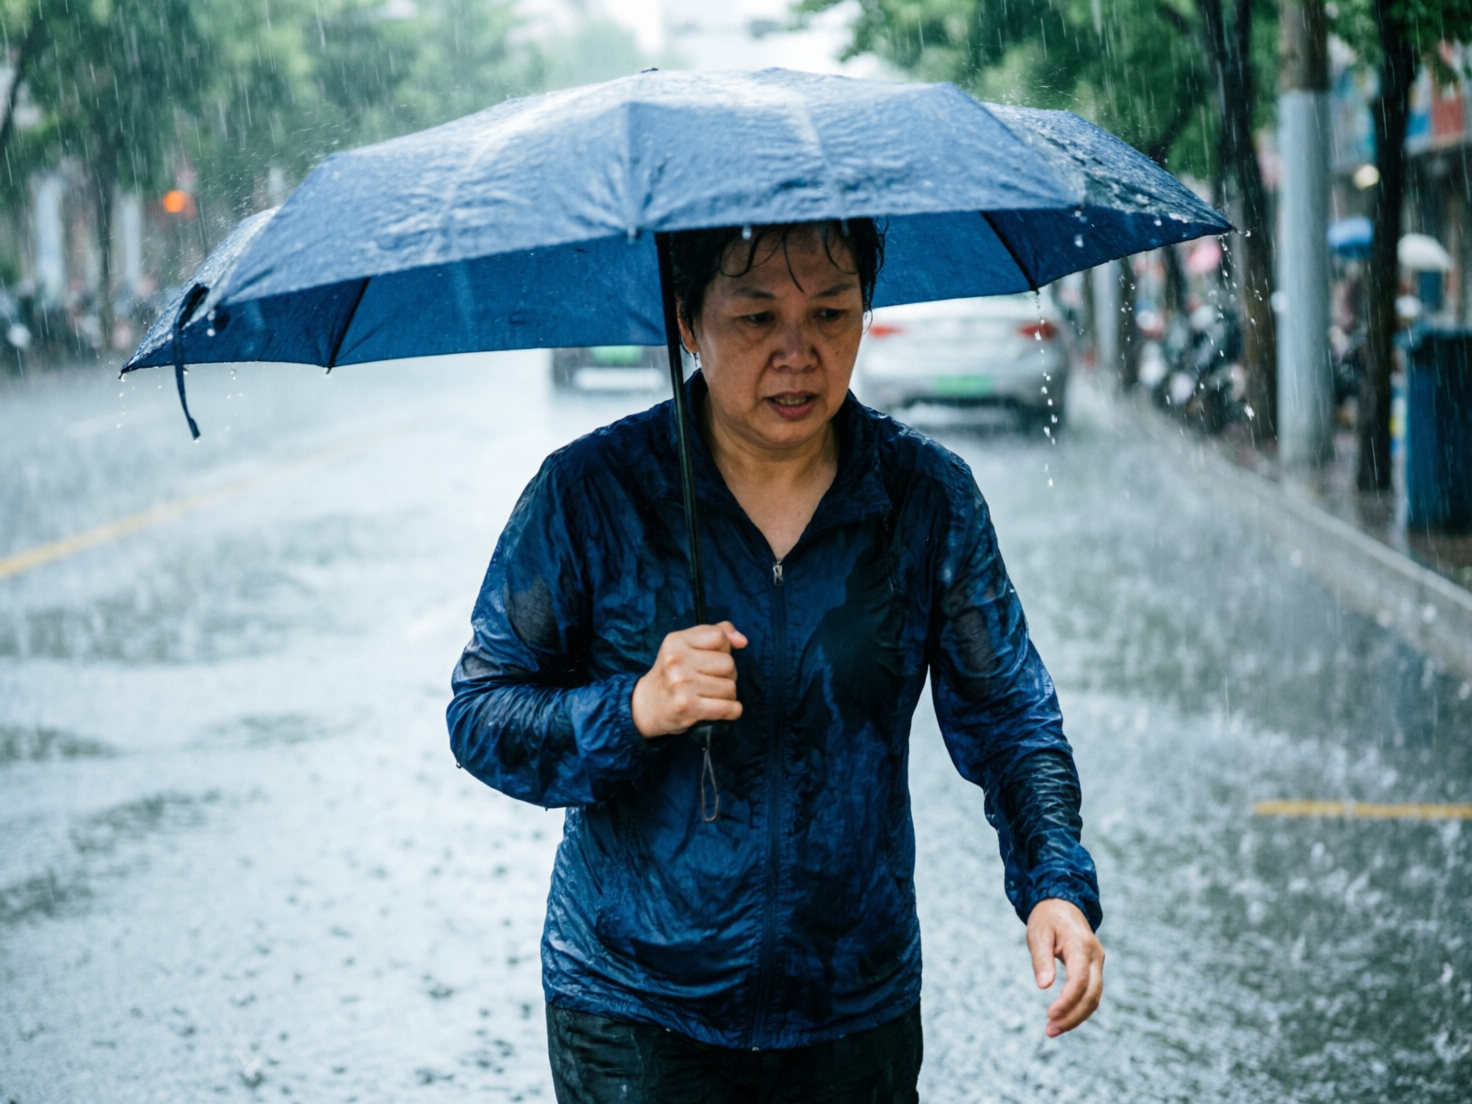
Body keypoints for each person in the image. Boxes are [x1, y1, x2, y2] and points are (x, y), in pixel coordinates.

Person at [448, 219, 1104, 1103]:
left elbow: (1010, 716)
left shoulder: (923, 499)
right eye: (756, 320)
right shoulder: (590, 496)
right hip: (634, 1008)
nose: (799, 354)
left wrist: (1053, 885)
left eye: (831, 314)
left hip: (852, 1007)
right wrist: (634, 708)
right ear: (688, 322)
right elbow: (483, 714)